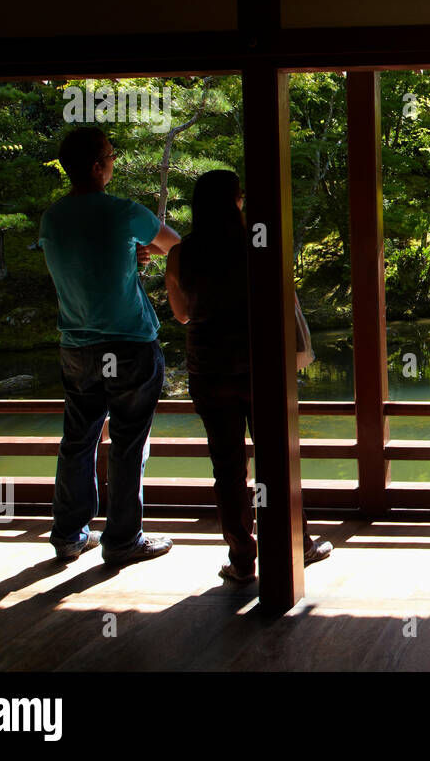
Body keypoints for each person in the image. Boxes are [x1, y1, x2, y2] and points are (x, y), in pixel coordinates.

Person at [164, 169, 332, 584]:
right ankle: (298, 544)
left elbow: (183, 314)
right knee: (276, 458)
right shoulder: (258, 244)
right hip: (260, 366)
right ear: (237, 200)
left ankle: (242, 559)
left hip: (208, 368)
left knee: (227, 466)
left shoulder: (181, 254)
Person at [40, 125, 180, 566]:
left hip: (77, 346)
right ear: (99, 166)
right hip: (128, 344)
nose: (114, 163)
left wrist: (131, 252)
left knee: (78, 440)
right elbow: (177, 248)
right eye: (112, 157)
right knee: (128, 442)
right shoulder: (123, 212)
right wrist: (146, 250)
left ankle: (67, 535)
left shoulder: (53, 217)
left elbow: (88, 259)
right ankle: (121, 540)